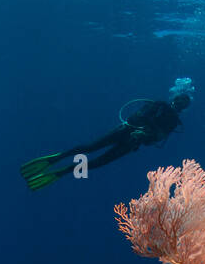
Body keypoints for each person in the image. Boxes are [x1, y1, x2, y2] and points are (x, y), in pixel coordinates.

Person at [21, 78, 193, 191]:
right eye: (179, 100)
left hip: (131, 144)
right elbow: (137, 115)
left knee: (97, 163)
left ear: (185, 108)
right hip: (124, 130)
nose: (178, 104)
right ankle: (55, 158)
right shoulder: (158, 105)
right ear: (174, 97)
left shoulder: (174, 122)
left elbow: (156, 140)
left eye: (183, 104)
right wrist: (142, 126)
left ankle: (63, 171)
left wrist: (144, 135)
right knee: (89, 148)